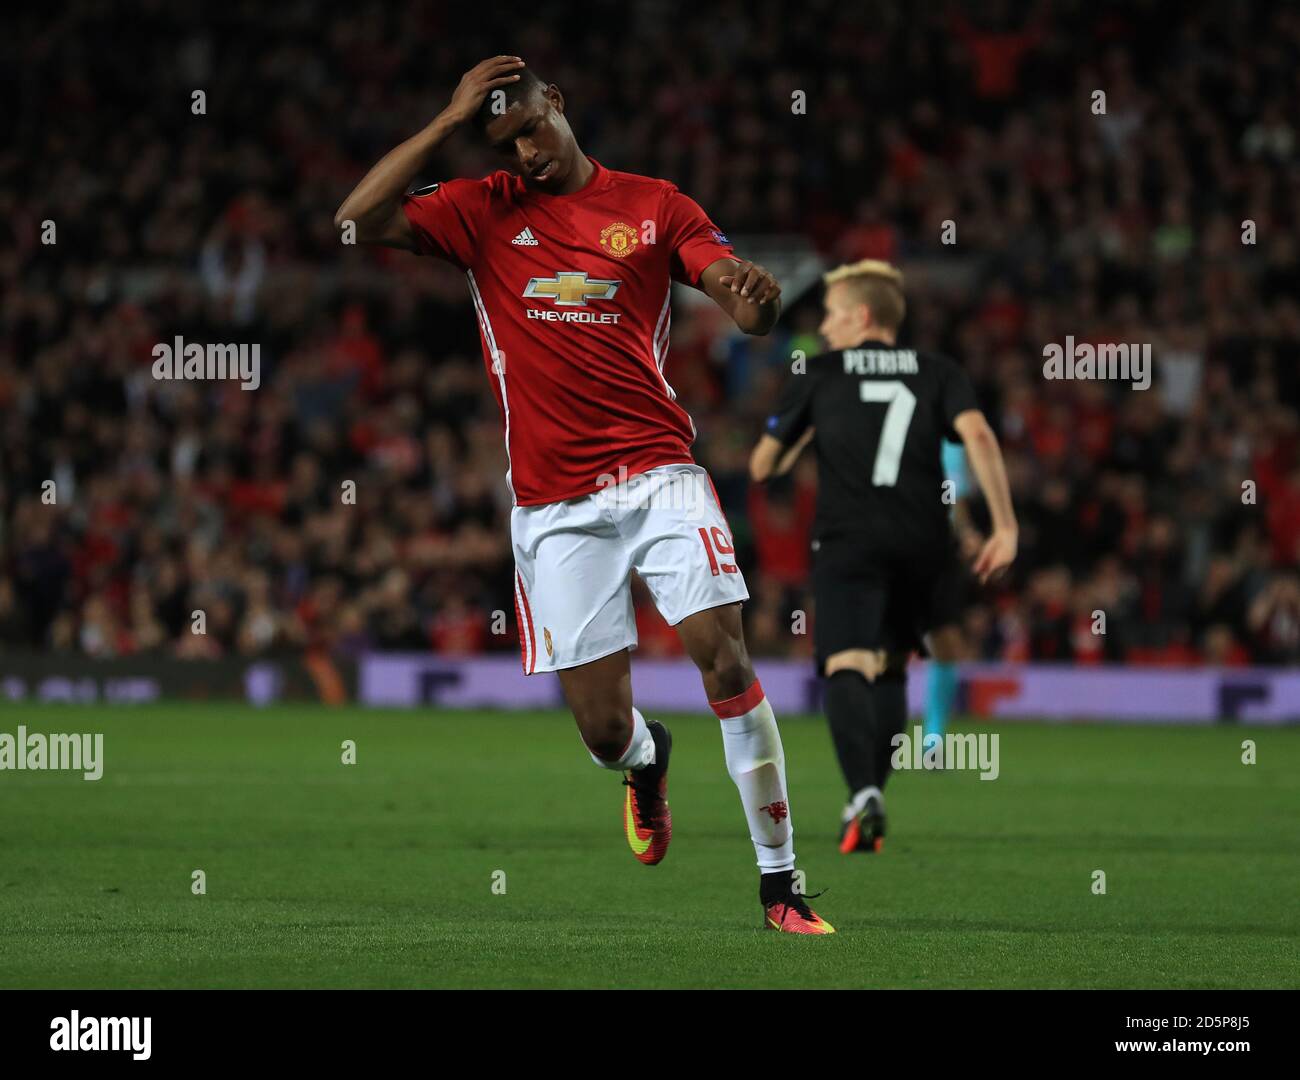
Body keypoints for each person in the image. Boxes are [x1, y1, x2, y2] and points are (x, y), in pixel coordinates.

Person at [335, 57, 832, 932]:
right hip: (554, 505)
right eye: (503, 140)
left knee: (723, 656)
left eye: (529, 125)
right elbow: (356, 220)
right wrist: (448, 121)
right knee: (603, 733)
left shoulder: (652, 203)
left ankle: (780, 885)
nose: (524, 151)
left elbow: (727, 283)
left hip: (658, 473)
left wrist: (752, 304)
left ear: (556, 103)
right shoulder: (479, 209)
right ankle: (648, 760)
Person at [750, 259, 1017, 853]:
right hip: (923, 540)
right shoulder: (938, 371)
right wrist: (1005, 525)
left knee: (847, 662)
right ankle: (873, 795)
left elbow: (763, 465)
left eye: (833, 316)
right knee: (895, 662)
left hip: (850, 538)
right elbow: (977, 437)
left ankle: (862, 791)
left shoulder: (819, 374)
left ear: (863, 316)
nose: (824, 330)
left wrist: (811, 434)